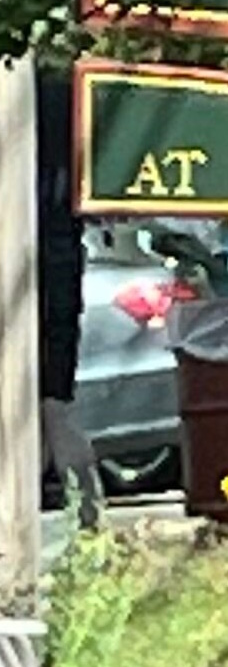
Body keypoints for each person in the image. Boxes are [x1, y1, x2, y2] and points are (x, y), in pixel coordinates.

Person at [35, 66, 102, 525]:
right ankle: (91, 521)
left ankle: (90, 521)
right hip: (58, 265)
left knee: (51, 409)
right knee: (54, 409)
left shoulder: (39, 99)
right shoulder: (70, 99)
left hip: (45, 271)